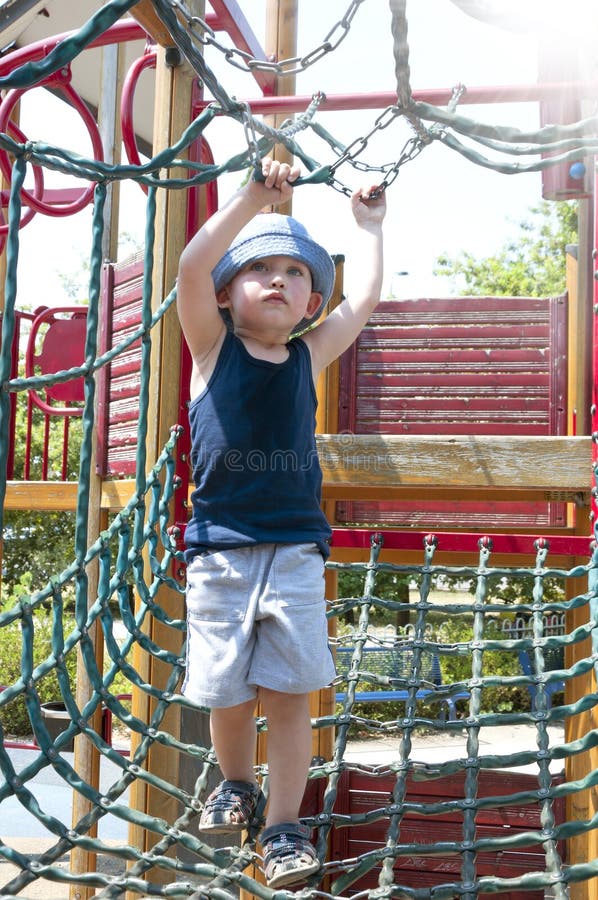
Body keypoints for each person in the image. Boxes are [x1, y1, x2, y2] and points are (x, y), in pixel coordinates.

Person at [176, 155, 386, 888]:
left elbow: (358, 303)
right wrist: (252, 197)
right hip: (220, 554)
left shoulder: (306, 356)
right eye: (260, 269)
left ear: (308, 303)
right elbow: (190, 266)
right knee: (229, 693)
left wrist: (368, 228)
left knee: (292, 696)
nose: (280, 280)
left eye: (296, 274)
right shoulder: (211, 348)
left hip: (295, 551)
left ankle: (285, 826)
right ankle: (236, 781)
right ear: (229, 295)